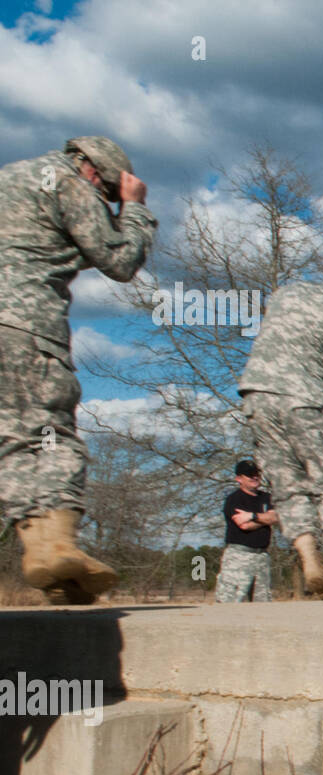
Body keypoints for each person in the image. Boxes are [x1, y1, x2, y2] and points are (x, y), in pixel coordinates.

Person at [1, 137, 156, 603]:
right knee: (54, 435)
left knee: (11, 442)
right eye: (105, 193)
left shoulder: (12, 179)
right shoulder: (71, 183)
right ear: (96, 173)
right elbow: (119, 259)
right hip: (23, 324)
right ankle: (58, 545)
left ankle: (47, 557)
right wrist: (133, 209)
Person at [238, 269, 323, 599]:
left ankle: (310, 561)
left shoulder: (286, 291)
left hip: (256, 395)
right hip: (304, 397)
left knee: (287, 485)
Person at [214, 460, 278, 602]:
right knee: (232, 602)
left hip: (262, 557)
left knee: (262, 604)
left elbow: (277, 517)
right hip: (239, 557)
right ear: (239, 478)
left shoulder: (267, 497)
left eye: (257, 474)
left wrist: (252, 516)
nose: (255, 477)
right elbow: (244, 525)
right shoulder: (234, 499)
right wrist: (266, 519)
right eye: (250, 475)